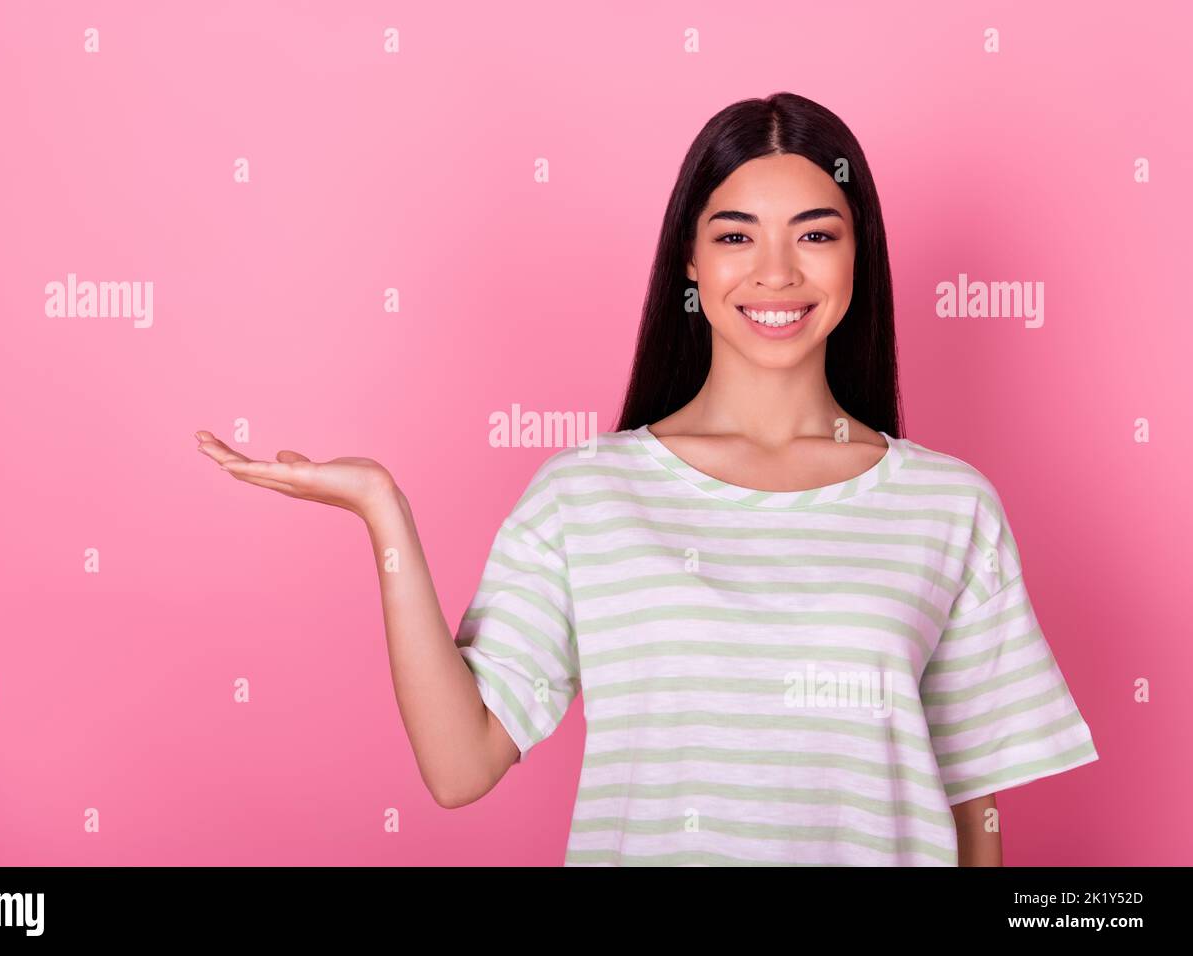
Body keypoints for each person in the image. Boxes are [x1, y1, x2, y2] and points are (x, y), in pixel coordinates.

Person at [194, 93, 1098, 866]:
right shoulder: (587, 497)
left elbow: (978, 793)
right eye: (736, 234)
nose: (777, 271)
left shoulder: (947, 505)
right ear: (691, 266)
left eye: (815, 234)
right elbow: (459, 764)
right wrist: (382, 513)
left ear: (858, 258)